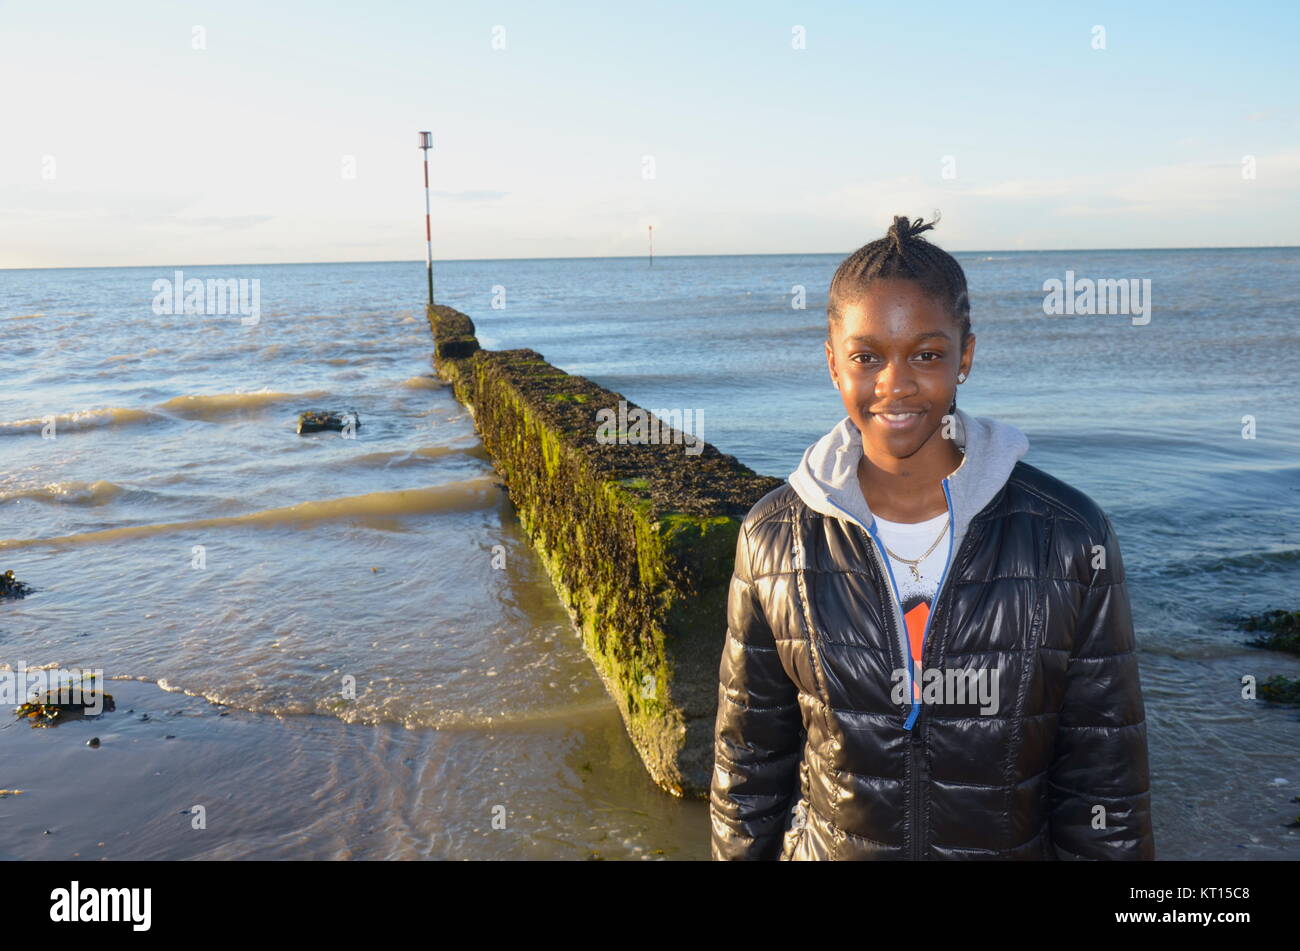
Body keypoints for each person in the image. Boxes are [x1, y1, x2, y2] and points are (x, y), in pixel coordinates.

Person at [709, 215, 1154, 860]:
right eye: (866, 357)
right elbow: (747, 764)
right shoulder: (775, 540)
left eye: (926, 354)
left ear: (964, 356)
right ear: (832, 362)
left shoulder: (1068, 536)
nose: (895, 385)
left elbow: (1104, 779)